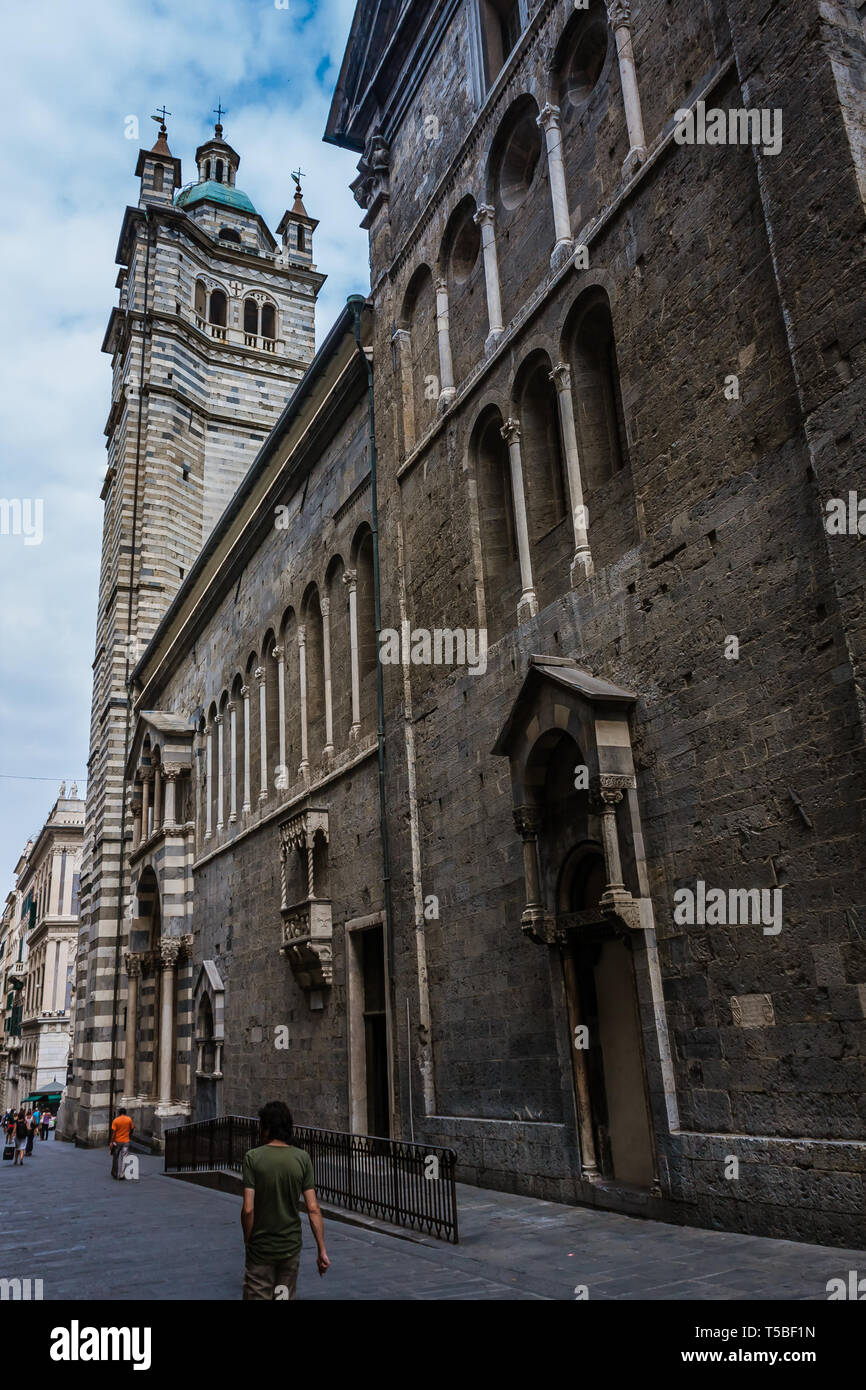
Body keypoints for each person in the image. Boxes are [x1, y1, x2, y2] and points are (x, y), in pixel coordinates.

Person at [240, 1100, 329, 1300]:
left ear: (266, 1128)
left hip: (261, 1249)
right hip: (289, 1249)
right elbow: (313, 1209)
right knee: (283, 1296)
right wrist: (321, 1249)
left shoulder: (252, 1158)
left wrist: (248, 1239)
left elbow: (248, 1209)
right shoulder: (302, 1158)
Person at [109, 1108, 134, 1179]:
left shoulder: (116, 1120)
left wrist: (111, 1141)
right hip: (126, 1141)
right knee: (124, 1158)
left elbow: (113, 1133)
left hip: (117, 1142)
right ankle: (122, 1174)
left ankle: (115, 1173)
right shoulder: (129, 1119)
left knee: (115, 1157)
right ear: (125, 1113)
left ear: (119, 1113)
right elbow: (132, 1129)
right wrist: (129, 1135)